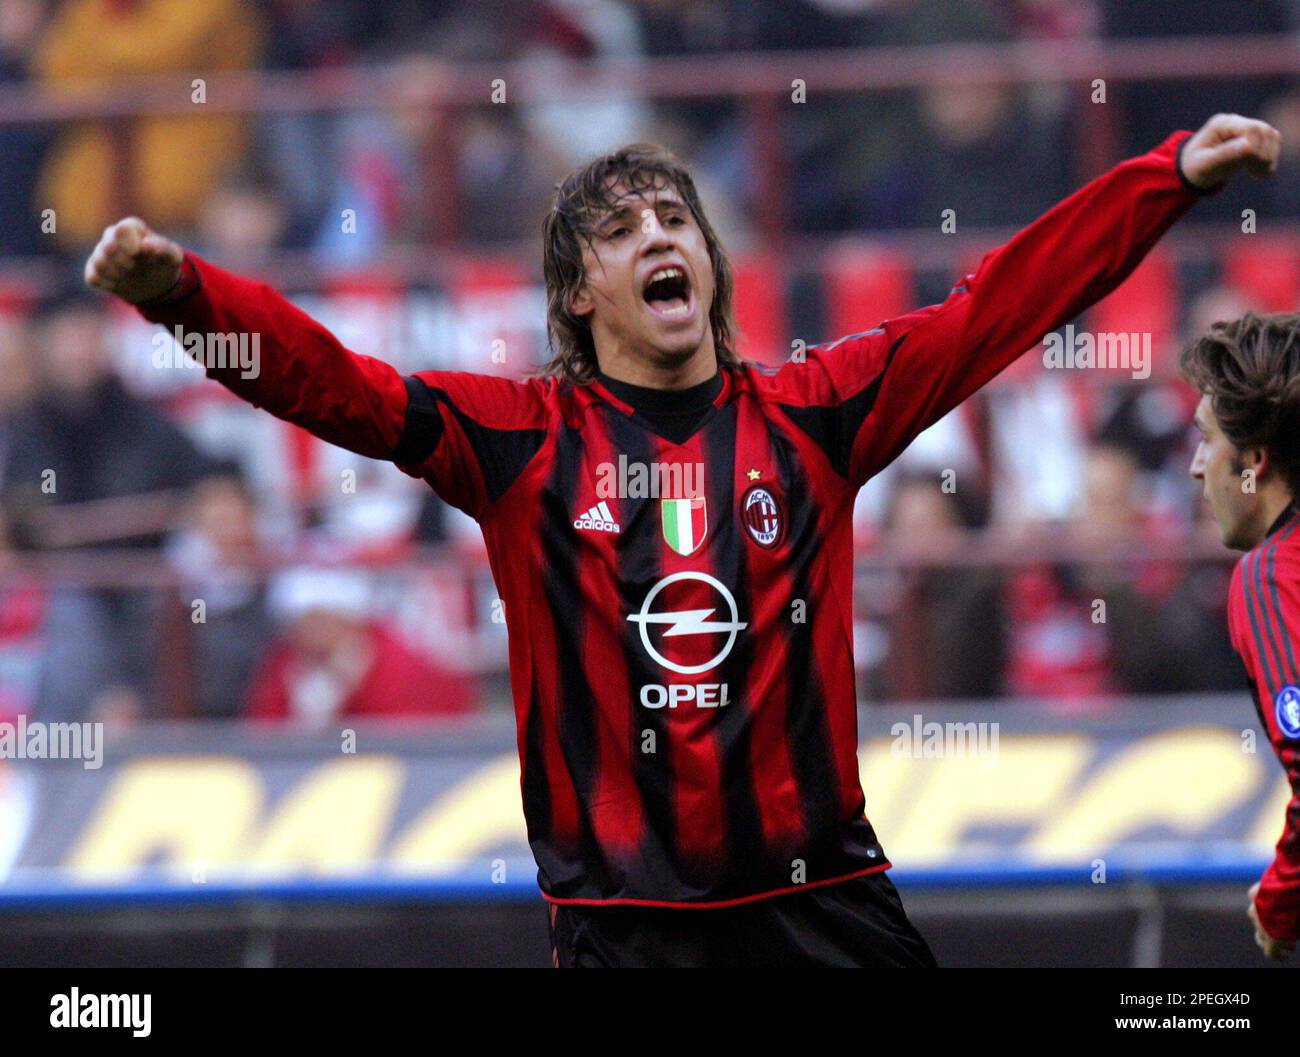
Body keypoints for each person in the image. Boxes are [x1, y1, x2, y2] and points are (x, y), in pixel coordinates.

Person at [84, 112, 1278, 967]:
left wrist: (1161, 178)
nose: (661, 236)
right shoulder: (519, 442)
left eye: (676, 218)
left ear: (707, 263)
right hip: (625, 931)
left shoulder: (815, 413)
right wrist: (187, 297)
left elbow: (998, 307)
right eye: (622, 230)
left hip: (824, 904)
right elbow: (333, 386)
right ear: (577, 295)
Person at [1183, 311, 1300, 962]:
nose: (1198, 467)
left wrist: (1279, 904)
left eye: (1207, 440)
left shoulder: (1270, 576)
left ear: (1254, 460)